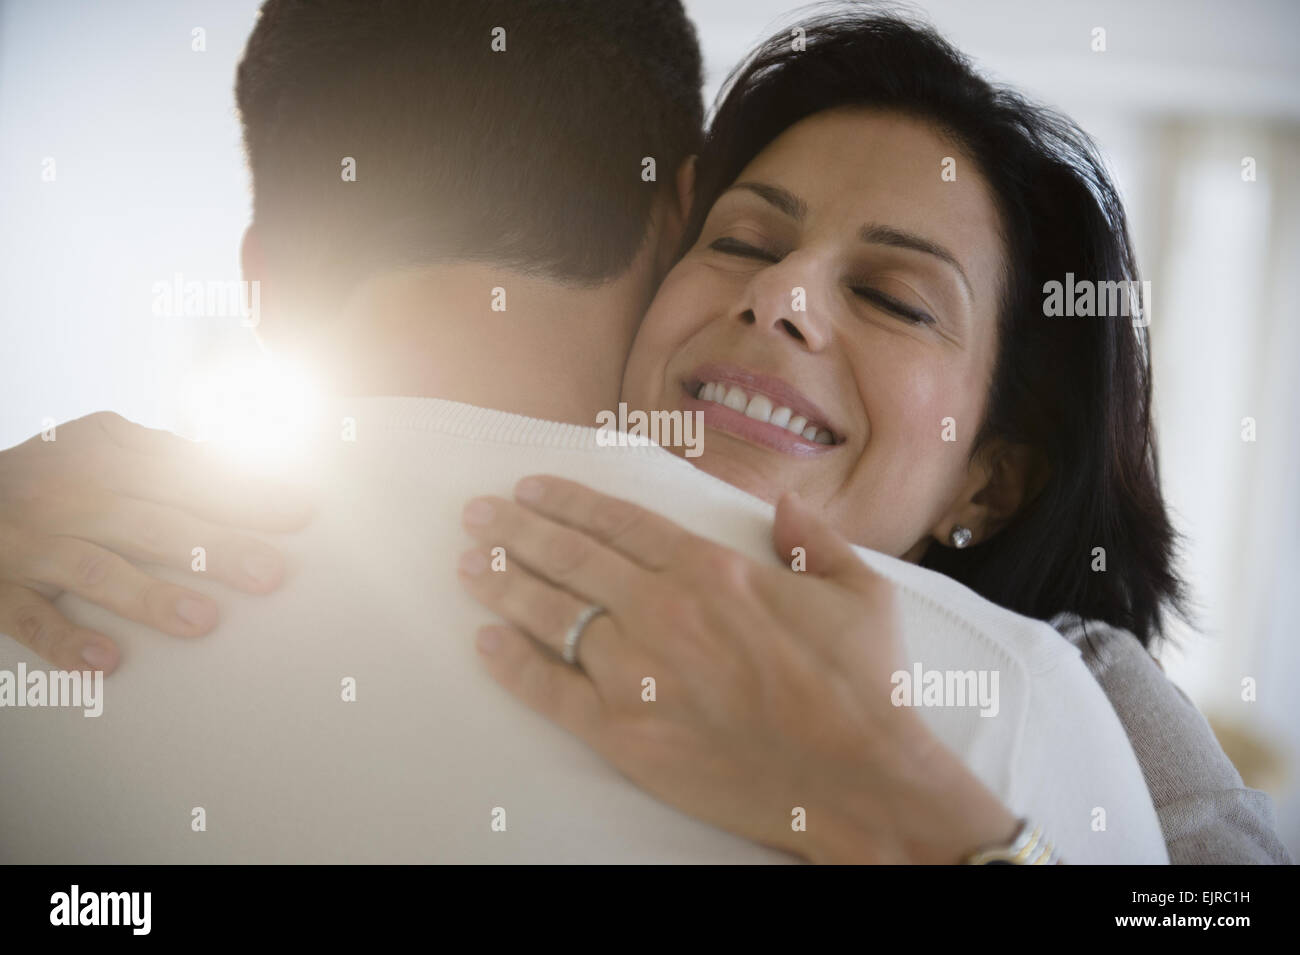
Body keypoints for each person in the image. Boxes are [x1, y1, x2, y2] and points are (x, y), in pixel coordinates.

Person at [0, 3, 1277, 862]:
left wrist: (912, 811)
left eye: (891, 296)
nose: (777, 297)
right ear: (673, 234)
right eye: (746, 237)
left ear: (992, 481)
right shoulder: (81, 540)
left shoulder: (1054, 705)